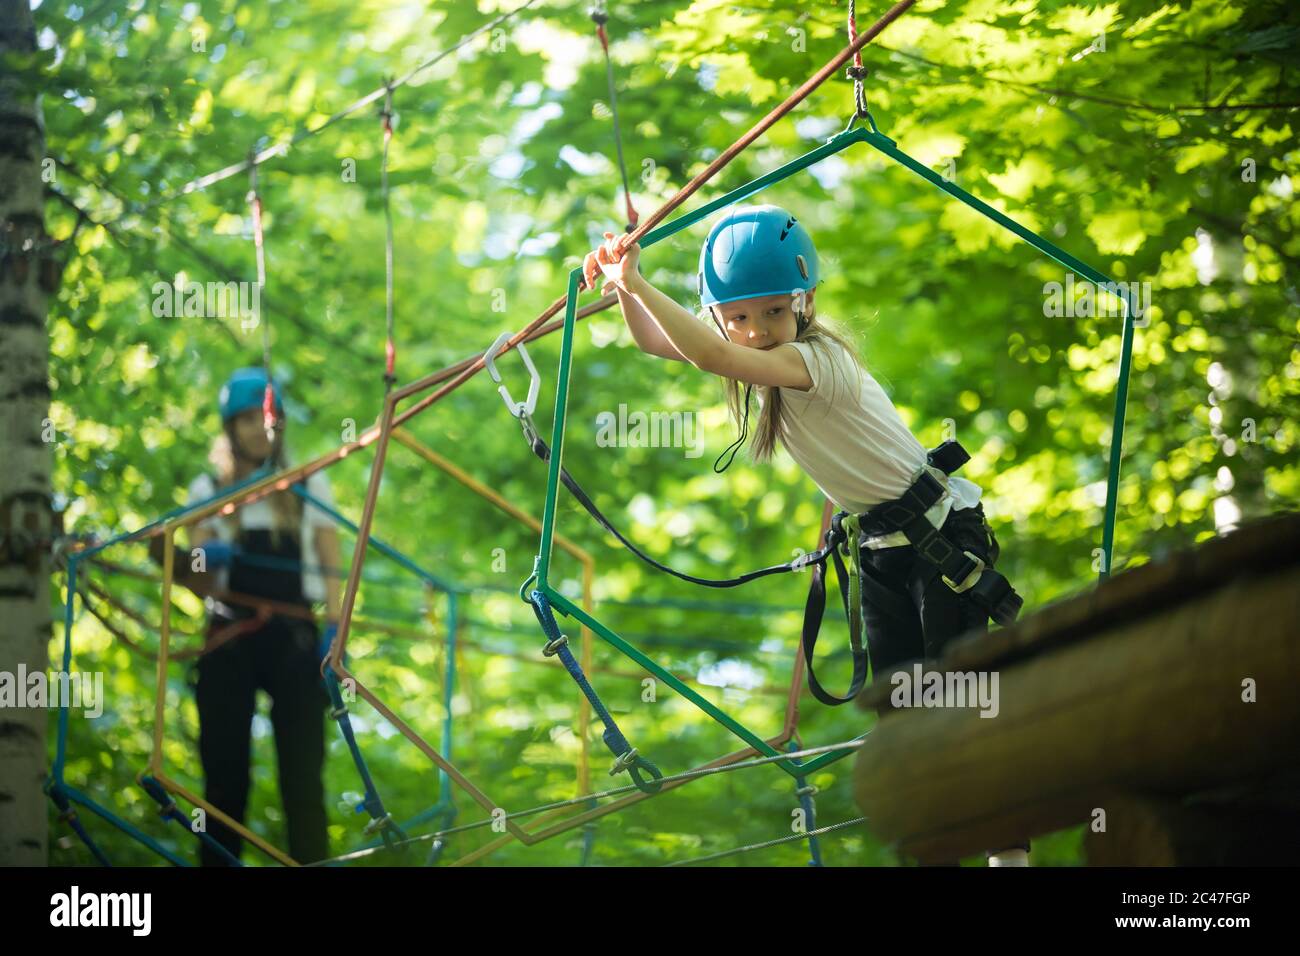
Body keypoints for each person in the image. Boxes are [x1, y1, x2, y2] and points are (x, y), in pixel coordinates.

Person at [582, 204, 1029, 866]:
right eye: (738, 317)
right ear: (719, 315)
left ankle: (1009, 858)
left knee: (960, 705)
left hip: (939, 543)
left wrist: (634, 281)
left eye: (771, 314)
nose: (755, 332)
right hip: (884, 553)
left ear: (805, 304)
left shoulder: (816, 362)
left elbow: (704, 352)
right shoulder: (766, 366)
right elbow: (658, 343)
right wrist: (627, 286)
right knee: (903, 722)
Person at [154, 367, 340, 865]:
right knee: (224, 780)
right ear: (230, 429)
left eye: (267, 419)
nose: (260, 429)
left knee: (303, 778)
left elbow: (331, 561)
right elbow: (195, 573)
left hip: (296, 640)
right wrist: (199, 558)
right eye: (247, 421)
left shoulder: (307, 483)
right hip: (228, 637)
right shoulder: (208, 488)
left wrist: (335, 631)